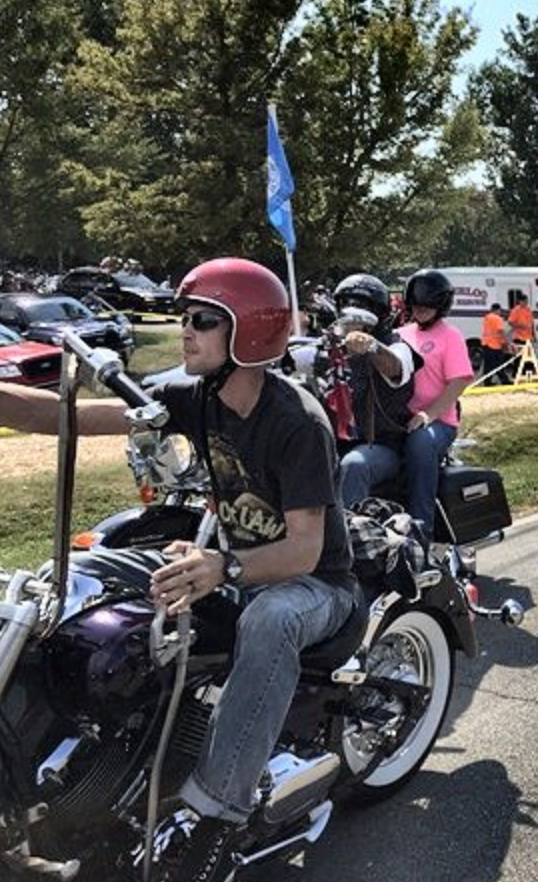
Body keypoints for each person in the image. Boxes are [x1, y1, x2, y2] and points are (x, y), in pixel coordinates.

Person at [0, 257, 357, 882]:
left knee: (270, 619)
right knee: (88, 565)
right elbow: (65, 419)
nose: (184, 330)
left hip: (312, 585)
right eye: (184, 318)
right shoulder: (199, 398)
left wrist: (222, 566)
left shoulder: (296, 421)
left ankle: (220, 816)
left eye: (200, 320)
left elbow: (304, 549)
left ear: (245, 332)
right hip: (226, 560)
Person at [328, 272, 416, 508]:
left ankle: (353, 539)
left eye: (360, 306)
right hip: (330, 443)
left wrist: (372, 346)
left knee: (354, 465)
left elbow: (397, 367)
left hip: (381, 445)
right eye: (345, 304)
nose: (351, 312)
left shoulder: (396, 345)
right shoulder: (330, 346)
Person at [397, 269, 475, 532]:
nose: (420, 310)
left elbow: (459, 381)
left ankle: (421, 530)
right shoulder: (400, 335)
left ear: (440, 306)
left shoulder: (450, 336)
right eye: (416, 305)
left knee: (420, 443)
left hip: (438, 422)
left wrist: (427, 415)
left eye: (427, 306)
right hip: (398, 420)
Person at [481, 301, 512, 386]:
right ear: (498, 310)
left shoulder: (487, 317)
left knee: (488, 365)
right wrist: (506, 343)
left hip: (486, 343)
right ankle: (504, 380)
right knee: (499, 364)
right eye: (500, 311)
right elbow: (500, 331)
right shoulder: (497, 318)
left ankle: (487, 382)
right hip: (495, 345)